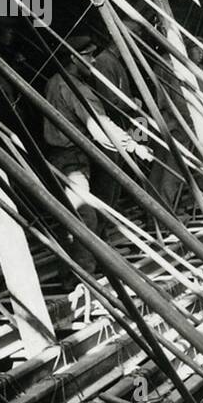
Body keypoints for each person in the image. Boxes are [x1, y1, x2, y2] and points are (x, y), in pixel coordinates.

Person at [43, 32, 151, 275]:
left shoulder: (54, 81)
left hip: (67, 156)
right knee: (84, 216)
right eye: (89, 56)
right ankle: (83, 277)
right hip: (70, 159)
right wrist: (133, 146)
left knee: (88, 209)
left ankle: (94, 262)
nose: (93, 61)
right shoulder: (75, 89)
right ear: (74, 58)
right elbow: (100, 126)